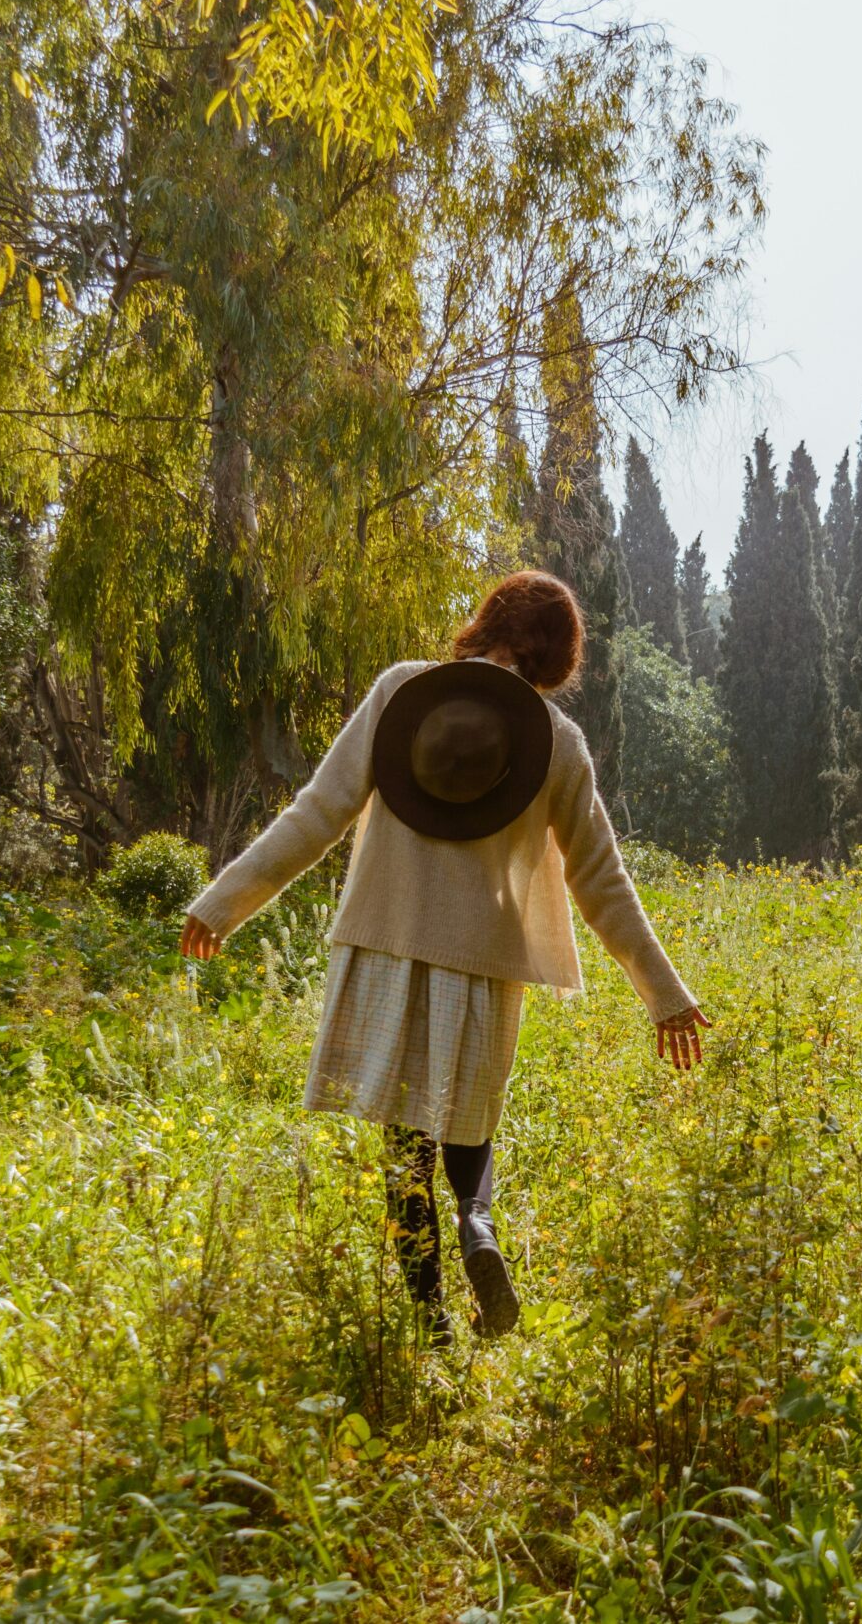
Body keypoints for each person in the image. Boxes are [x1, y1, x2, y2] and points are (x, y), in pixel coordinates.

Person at [178, 571, 709, 1341]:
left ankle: (432, 1332)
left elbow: (319, 812)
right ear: (559, 655)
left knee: (405, 1147)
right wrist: (666, 995)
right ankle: (477, 1222)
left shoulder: (403, 693)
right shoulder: (559, 743)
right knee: (468, 1127)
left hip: (388, 948)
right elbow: (601, 881)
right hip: (484, 969)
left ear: (488, 620)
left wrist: (224, 901)